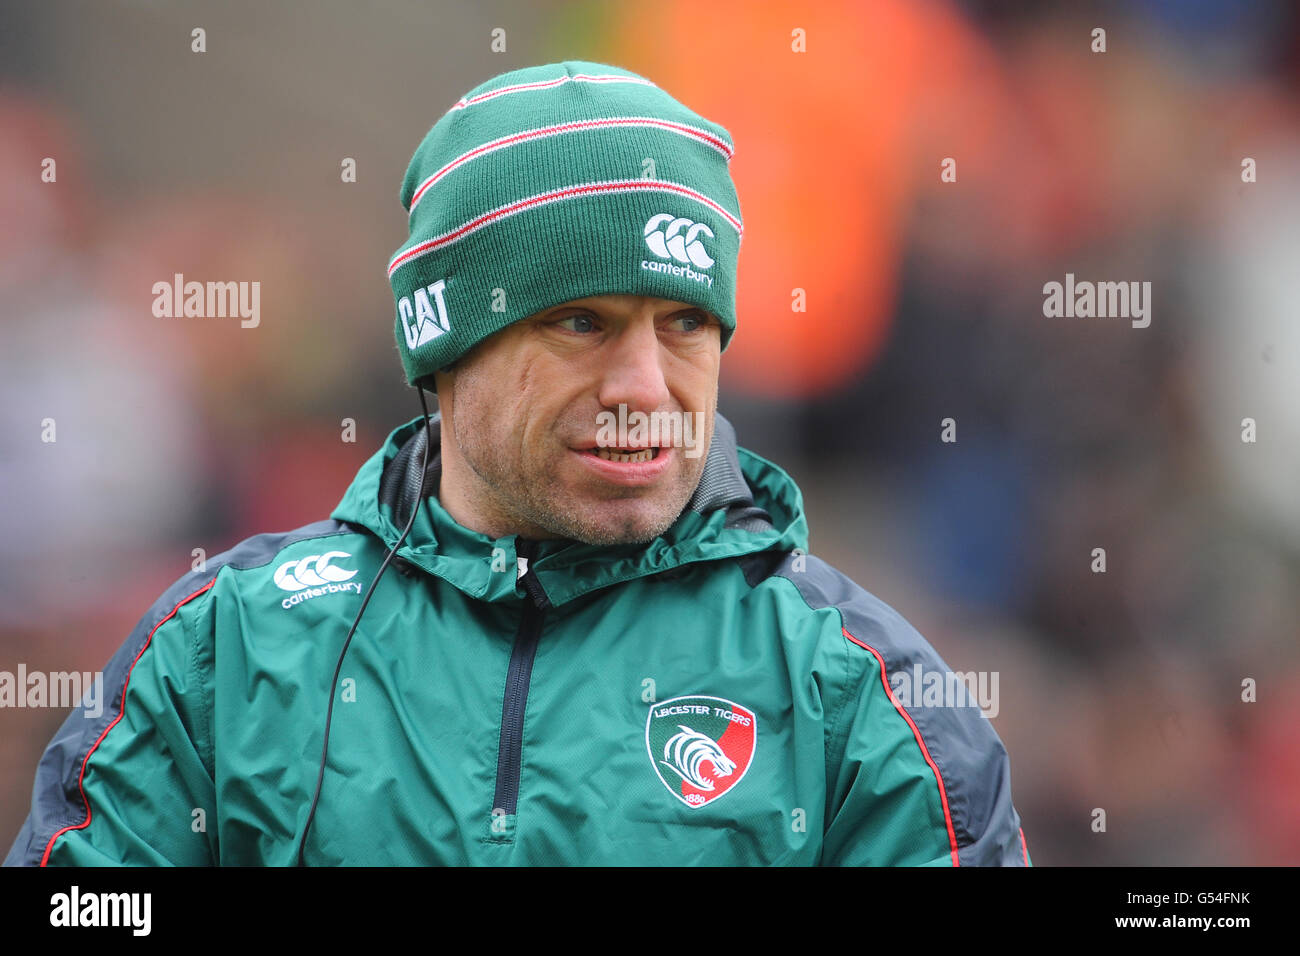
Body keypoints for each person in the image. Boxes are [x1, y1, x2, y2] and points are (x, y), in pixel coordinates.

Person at [6, 60, 1029, 866]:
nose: (645, 384)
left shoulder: (862, 695)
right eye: (580, 321)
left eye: (683, 324)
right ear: (443, 346)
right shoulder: (225, 652)